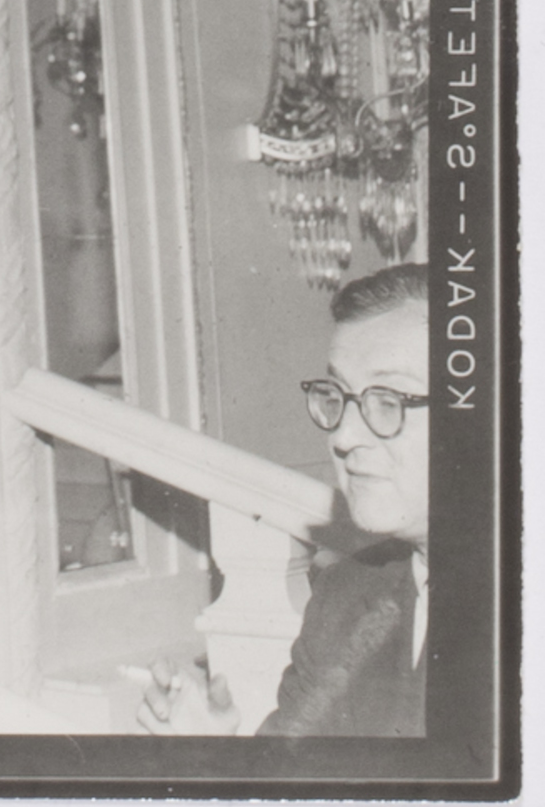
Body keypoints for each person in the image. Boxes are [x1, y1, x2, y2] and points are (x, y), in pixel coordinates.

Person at [138, 262, 428, 738]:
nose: (343, 436)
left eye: (388, 400)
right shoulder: (345, 598)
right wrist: (215, 757)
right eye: (338, 396)